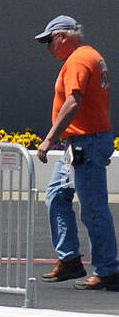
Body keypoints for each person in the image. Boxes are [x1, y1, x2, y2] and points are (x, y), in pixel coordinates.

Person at [34, 15, 119, 289]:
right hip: (80, 144)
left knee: (93, 208)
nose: (48, 47)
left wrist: (49, 139)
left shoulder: (79, 60)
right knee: (57, 196)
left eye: (49, 41)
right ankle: (69, 259)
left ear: (63, 36)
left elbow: (73, 102)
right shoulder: (85, 57)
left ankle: (107, 270)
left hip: (87, 143)